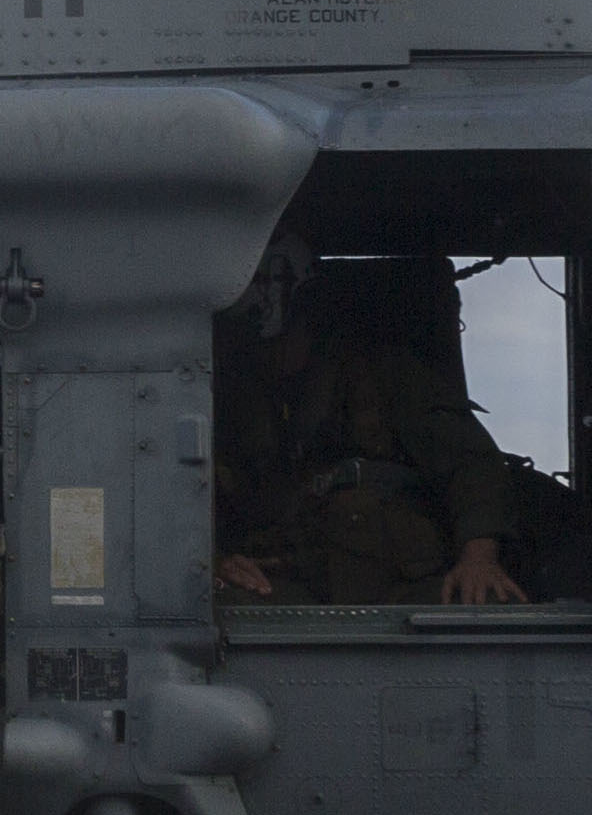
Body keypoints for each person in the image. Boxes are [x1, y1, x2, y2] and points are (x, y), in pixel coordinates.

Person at [213, 245, 564, 607]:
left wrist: (479, 558)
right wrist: (219, 561)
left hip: (402, 577)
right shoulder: (238, 403)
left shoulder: (386, 377)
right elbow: (204, 498)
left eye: (282, 339)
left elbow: (471, 465)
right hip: (294, 576)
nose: (271, 356)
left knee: (486, 607)